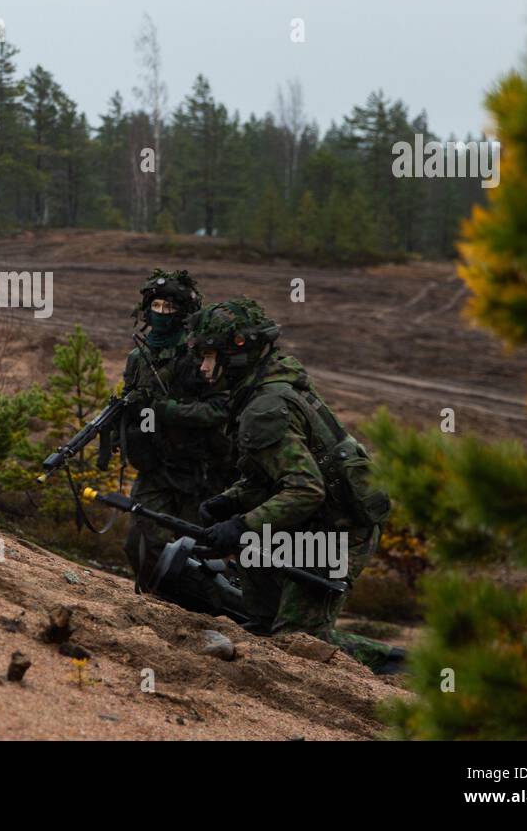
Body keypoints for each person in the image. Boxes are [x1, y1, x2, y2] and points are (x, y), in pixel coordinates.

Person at [187, 297, 405, 673]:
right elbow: (271, 474)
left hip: (336, 532)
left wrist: (241, 526)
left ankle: (404, 670)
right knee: (263, 622)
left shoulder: (265, 407)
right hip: (307, 523)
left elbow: (305, 489)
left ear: (235, 355)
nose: (204, 368)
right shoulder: (266, 388)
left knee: (297, 645)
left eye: (209, 357)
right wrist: (227, 502)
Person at [118, 270, 235, 613]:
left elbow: (221, 409)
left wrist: (171, 411)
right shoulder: (138, 358)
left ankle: (204, 613)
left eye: (169, 306)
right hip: (155, 466)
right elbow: (131, 400)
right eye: (155, 305)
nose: (161, 313)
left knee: (199, 551)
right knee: (140, 542)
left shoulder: (200, 356)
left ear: (183, 312)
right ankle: (153, 604)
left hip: (200, 471)